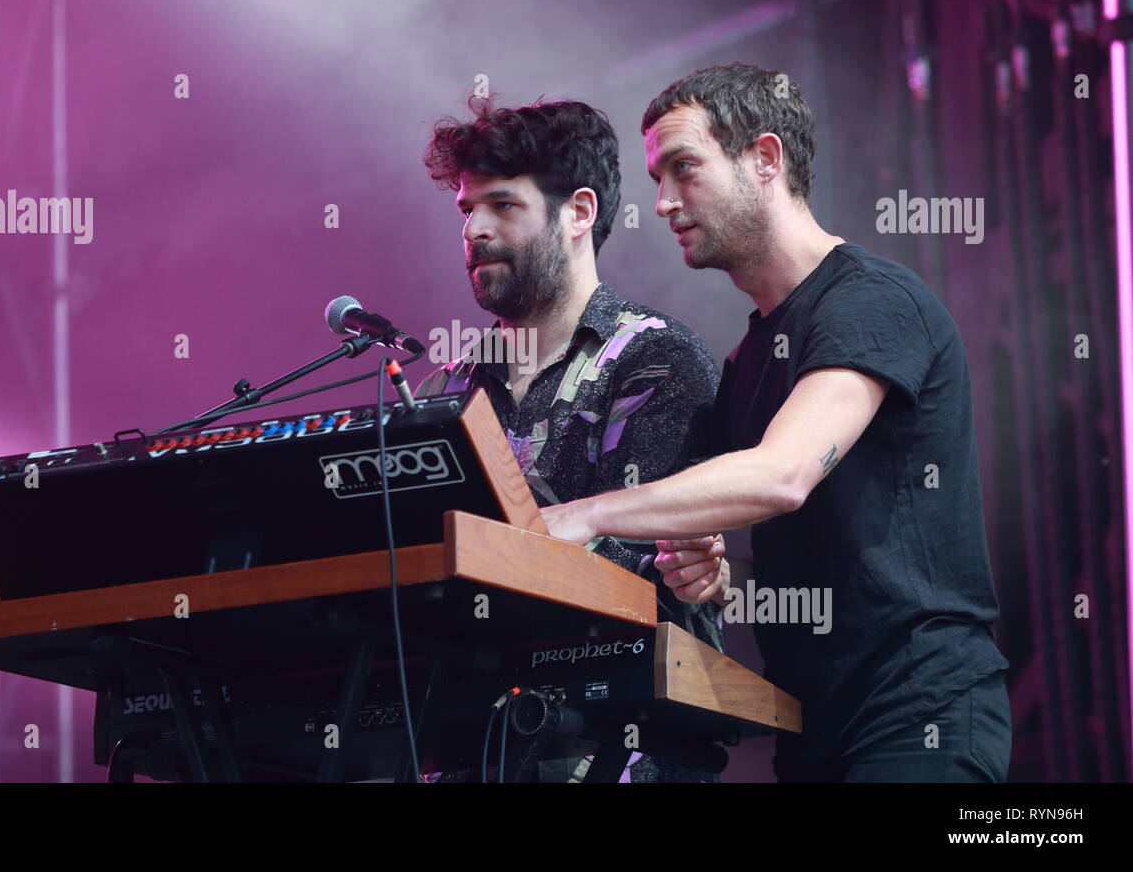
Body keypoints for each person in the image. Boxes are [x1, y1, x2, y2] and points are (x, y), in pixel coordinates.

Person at [542, 62, 1012, 782]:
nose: (663, 202)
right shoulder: (748, 358)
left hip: (919, 714)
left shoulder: (873, 302)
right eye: (656, 180)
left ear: (765, 158)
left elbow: (784, 475)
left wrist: (585, 516)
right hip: (811, 726)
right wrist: (714, 566)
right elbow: (759, 532)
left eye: (684, 168)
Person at [417, 95, 729, 782]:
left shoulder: (656, 360)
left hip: (624, 752)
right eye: (466, 210)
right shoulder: (450, 391)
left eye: (502, 205)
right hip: (472, 750)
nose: (474, 228)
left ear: (579, 212)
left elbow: (654, 580)